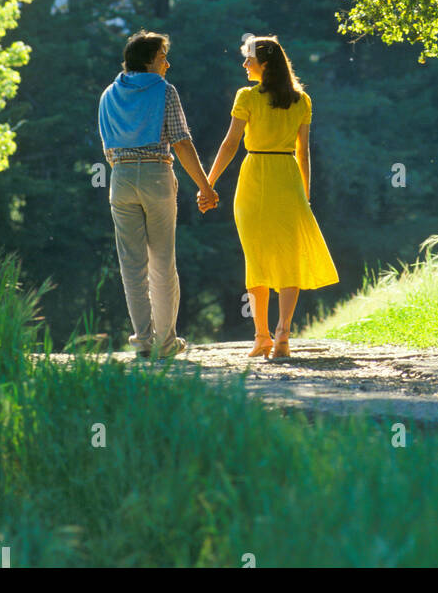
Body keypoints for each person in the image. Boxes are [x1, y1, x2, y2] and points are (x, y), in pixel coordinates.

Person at [204, 35, 338, 359]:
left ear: (263, 64)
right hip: (288, 178)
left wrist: (208, 183)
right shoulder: (301, 100)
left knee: (257, 258)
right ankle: (282, 336)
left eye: (248, 58)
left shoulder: (247, 96)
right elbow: (303, 151)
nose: (244, 64)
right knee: (288, 259)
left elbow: (230, 144)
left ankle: (261, 335)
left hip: (254, 176)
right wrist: (304, 193)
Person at [98, 30, 219, 360]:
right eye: (163, 57)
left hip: (120, 177)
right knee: (162, 260)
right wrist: (205, 186)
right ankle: (166, 342)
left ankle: (143, 342)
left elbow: (107, 146)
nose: (167, 63)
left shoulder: (108, 94)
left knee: (131, 264)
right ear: (149, 61)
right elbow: (181, 142)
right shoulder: (164, 90)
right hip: (155, 173)